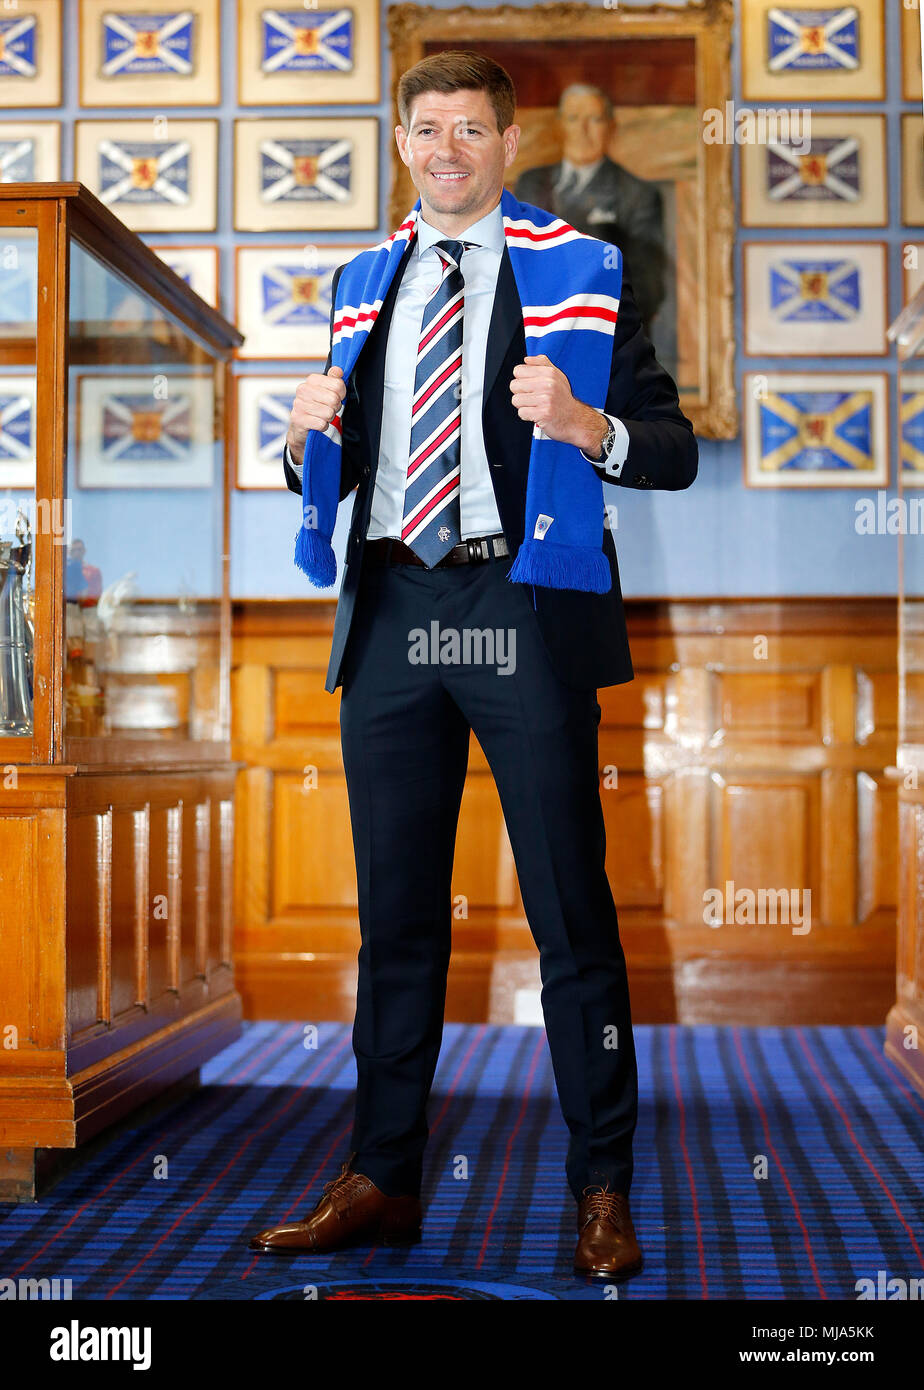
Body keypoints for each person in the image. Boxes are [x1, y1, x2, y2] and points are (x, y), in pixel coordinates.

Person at [249, 49, 696, 1280]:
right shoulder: (359, 281)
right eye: (426, 127)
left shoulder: (588, 276)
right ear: (402, 143)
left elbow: (674, 447)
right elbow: (326, 460)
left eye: (471, 129)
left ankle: (602, 1185)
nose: (447, 147)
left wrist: (586, 426)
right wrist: (296, 445)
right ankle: (382, 1176)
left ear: (510, 148)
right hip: (392, 600)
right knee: (396, 918)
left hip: (523, 597)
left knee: (571, 914)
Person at [513, 83, 668, 339]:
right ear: (559, 126)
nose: (582, 131)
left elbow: (647, 288)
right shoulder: (530, 183)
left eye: (594, 119)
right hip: (532, 335)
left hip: (603, 336)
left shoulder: (637, 195)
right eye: (573, 119)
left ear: (611, 127)